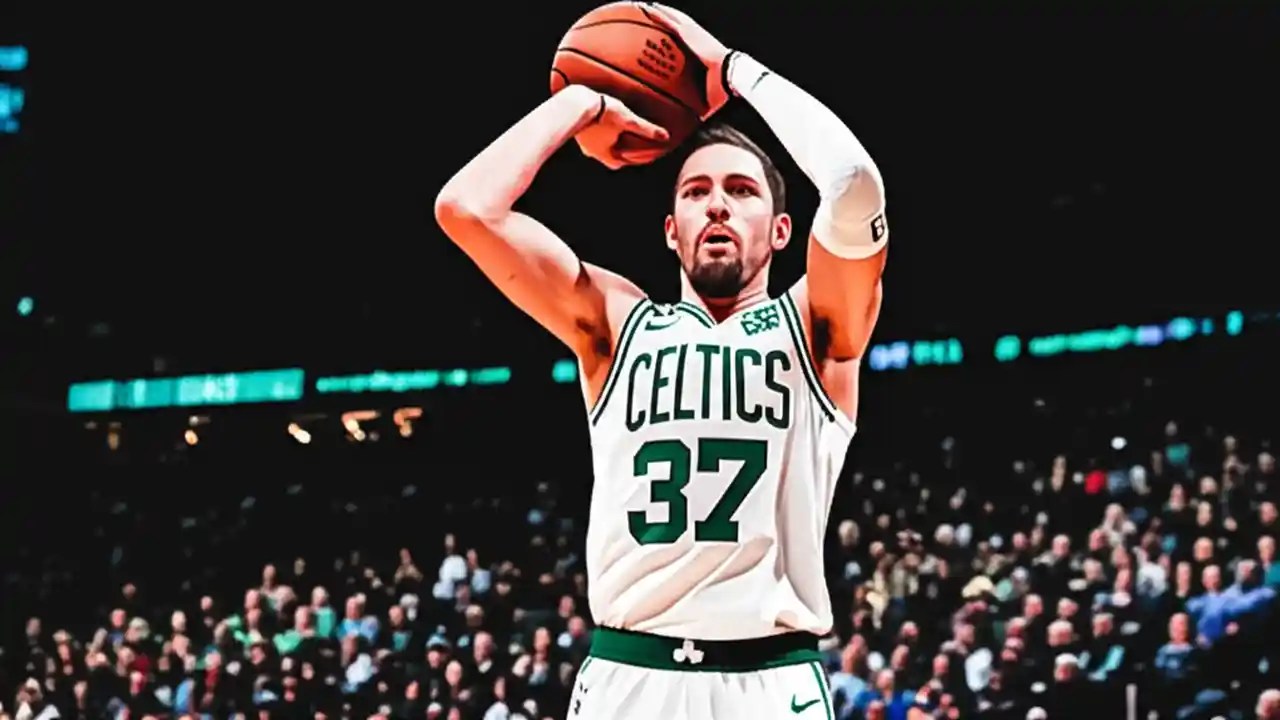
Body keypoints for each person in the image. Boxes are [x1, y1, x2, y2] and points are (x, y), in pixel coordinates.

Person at [434, 5, 888, 718]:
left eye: (741, 192)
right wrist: (579, 103)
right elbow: (466, 207)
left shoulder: (816, 328)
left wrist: (734, 68)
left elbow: (855, 183)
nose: (717, 207)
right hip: (630, 675)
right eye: (696, 192)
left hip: (768, 681)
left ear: (779, 231)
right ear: (671, 232)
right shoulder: (617, 323)